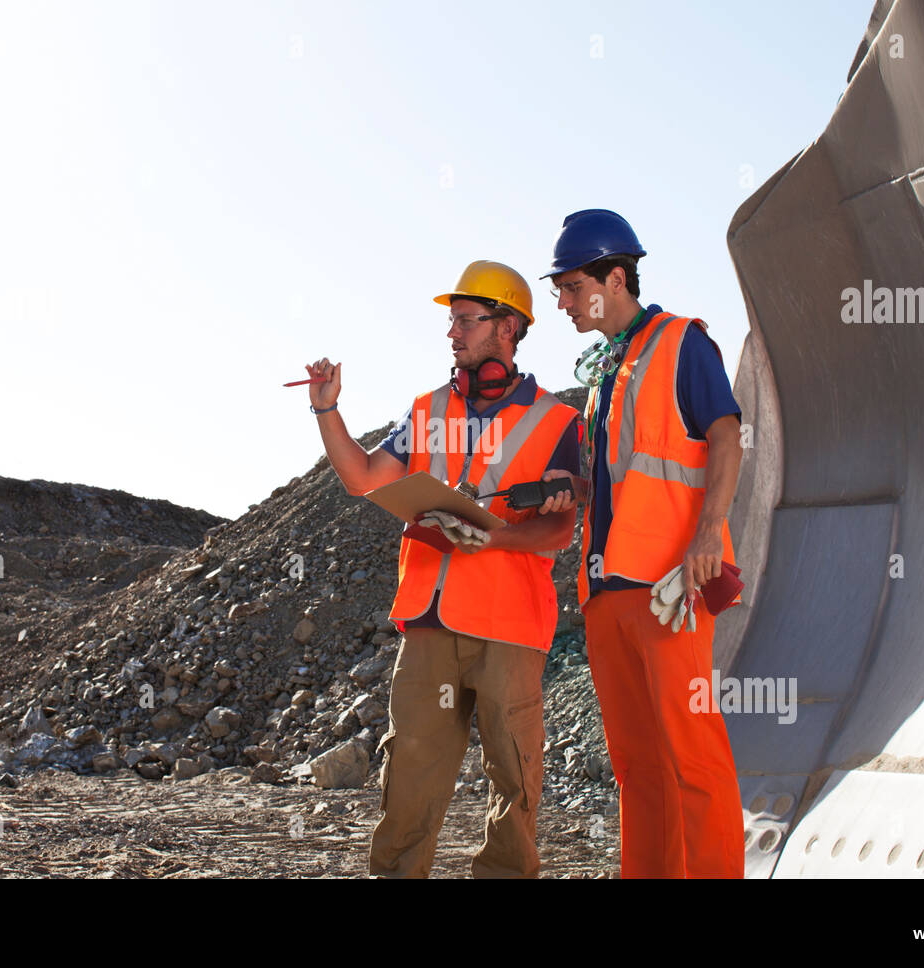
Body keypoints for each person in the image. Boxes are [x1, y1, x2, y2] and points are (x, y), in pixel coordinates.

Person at [303, 260, 582, 877]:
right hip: (429, 624)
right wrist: (328, 412)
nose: (452, 334)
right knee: (410, 779)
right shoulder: (426, 409)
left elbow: (560, 527)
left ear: (507, 327)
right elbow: (362, 477)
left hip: (508, 627)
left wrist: (496, 537)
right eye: (451, 322)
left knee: (514, 784)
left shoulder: (558, 420)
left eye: (465, 321)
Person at [536, 209, 746, 878]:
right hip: (606, 594)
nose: (562, 303)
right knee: (637, 768)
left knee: (692, 755)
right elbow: (620, 476)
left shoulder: (683, 343)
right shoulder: (604, 377)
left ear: (614, 277)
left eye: (569, 287)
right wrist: (567, 487)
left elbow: (725, 437)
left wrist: (709, 533)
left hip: (669, 590)